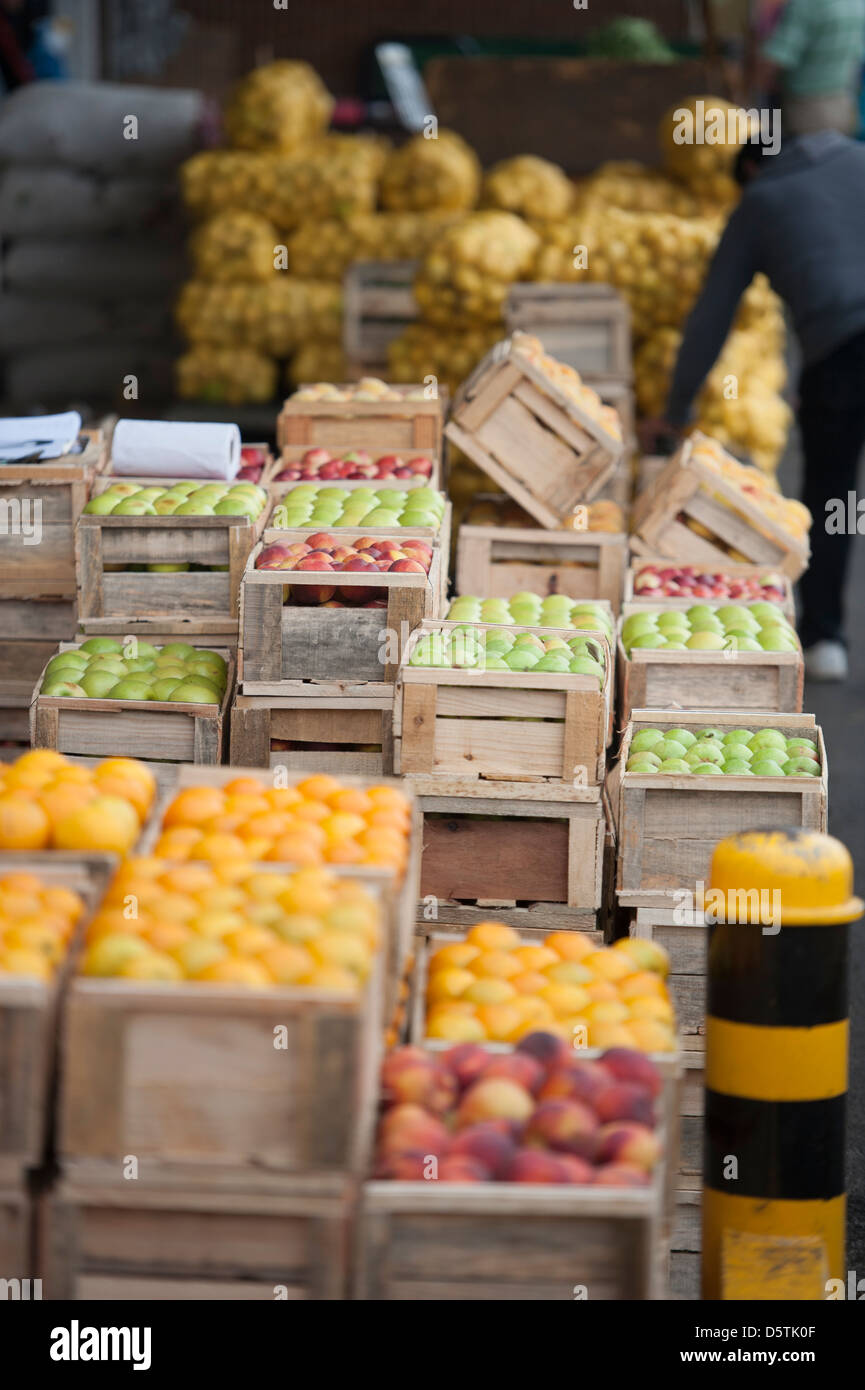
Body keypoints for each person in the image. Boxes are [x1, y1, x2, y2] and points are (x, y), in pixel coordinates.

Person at [656, 130, 865, 681]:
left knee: (833, 492)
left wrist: (676, 411)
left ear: (748, 170)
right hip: (839, 345)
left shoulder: (759, 203)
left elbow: (710, 319)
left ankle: (825, 641)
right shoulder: (856, 157)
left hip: (841, 352)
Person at [756, 0, 865, 135]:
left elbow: (776, 59)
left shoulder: (807, 4)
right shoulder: (856, 3)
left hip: (807, 109)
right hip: (843, 103)